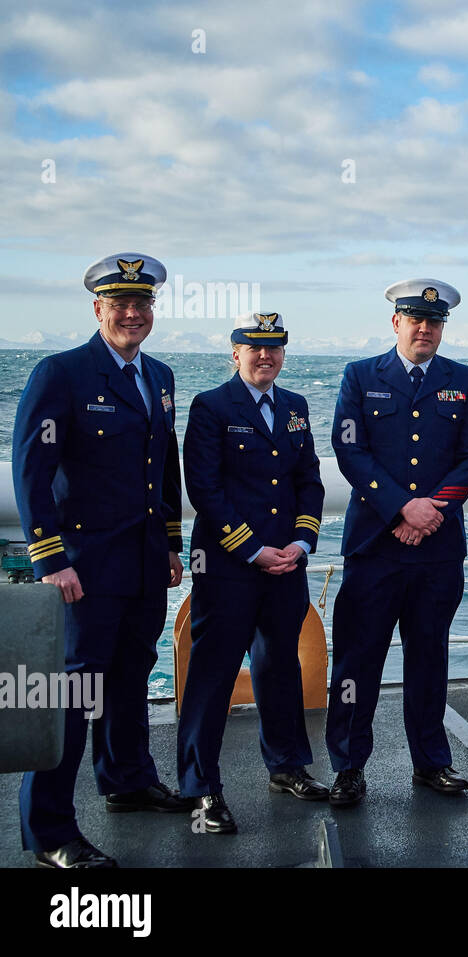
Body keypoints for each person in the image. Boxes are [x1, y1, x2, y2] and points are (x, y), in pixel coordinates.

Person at [12, 253, 189, 868]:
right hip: (83, 566)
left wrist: (171, 543)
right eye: (120, 304)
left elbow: (165, 465)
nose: (133, 313)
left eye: (142, 303)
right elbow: (30, 470)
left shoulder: (159, 376)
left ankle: (127, 780)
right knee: (72, 691)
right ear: (98, 309)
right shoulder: (61, 372)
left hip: (143, 561)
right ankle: (49, 831)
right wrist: (49, 557)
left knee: (131, 675)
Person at [325, 279, 468, 807]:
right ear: (396, 322)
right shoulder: (360, 376)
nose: (425, 329)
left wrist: (428, 512)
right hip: (375, 547)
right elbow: (349, 450)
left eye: (434, 321)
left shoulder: (463, 380)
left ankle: (432, 761)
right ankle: (348, 765)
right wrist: (401, 508)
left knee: (429, 658)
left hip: (436, 549)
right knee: (357, 661)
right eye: (415, 319)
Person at [177, 312, 329, 834]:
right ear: (235, 353)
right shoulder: (211, 406)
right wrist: (252, 549)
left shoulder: (295, 407)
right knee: (212, 674)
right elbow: (205, 489)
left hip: (285, 564)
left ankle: (288, 766)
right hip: (228, 566)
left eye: (274, 347)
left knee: (279, 665)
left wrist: (301, 542)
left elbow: (309, 481)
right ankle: (201, 787)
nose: (265, 356)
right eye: (254, 347)